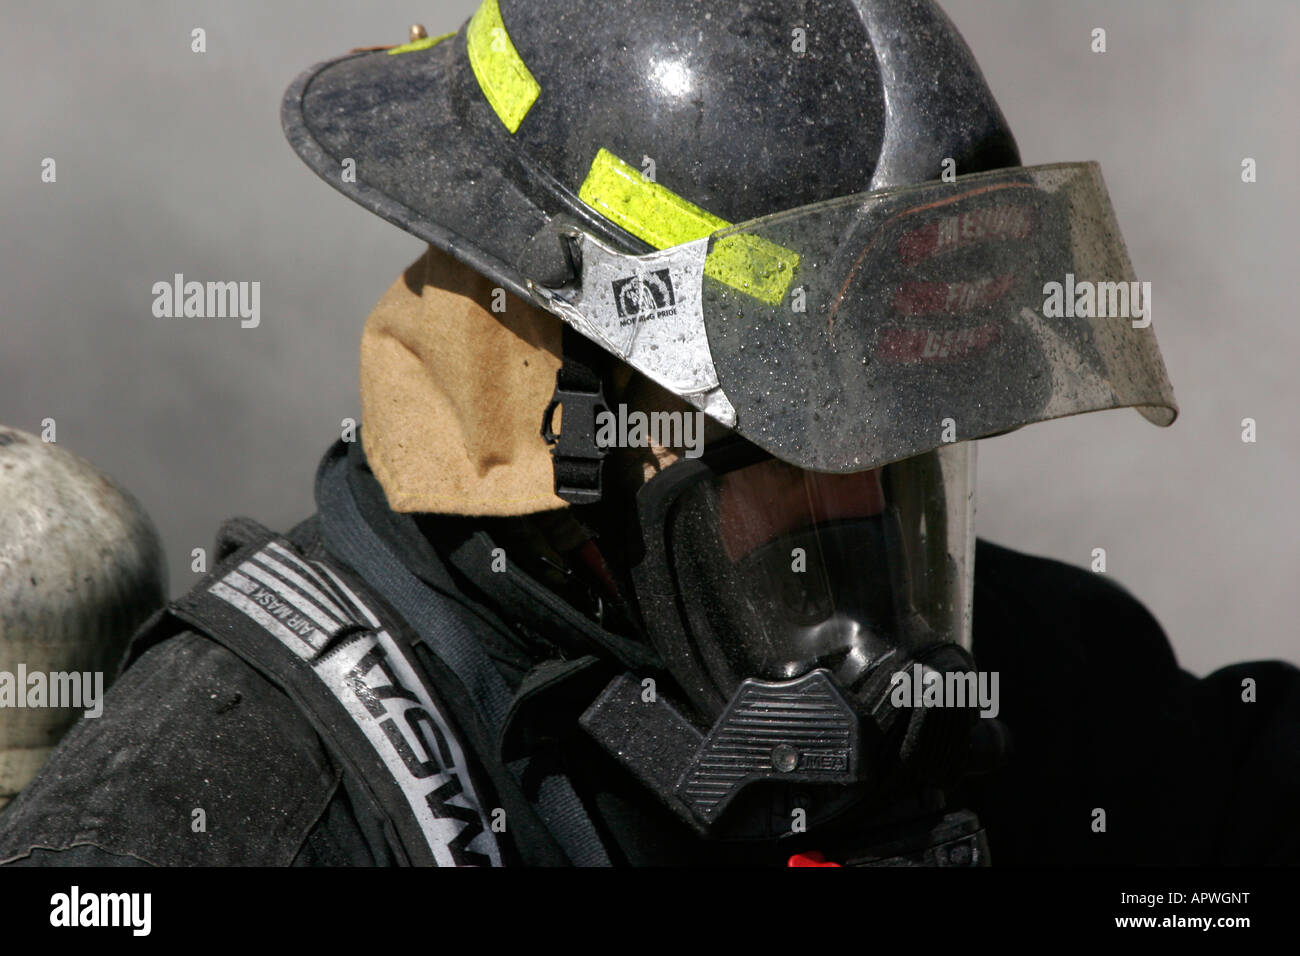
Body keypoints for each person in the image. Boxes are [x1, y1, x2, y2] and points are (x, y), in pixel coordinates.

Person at [2, 0, 1297, 867]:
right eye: (798, 445)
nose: (869, 554)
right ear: (582, 444)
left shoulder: (1024, 686)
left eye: (902, 450)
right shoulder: (229, 809)